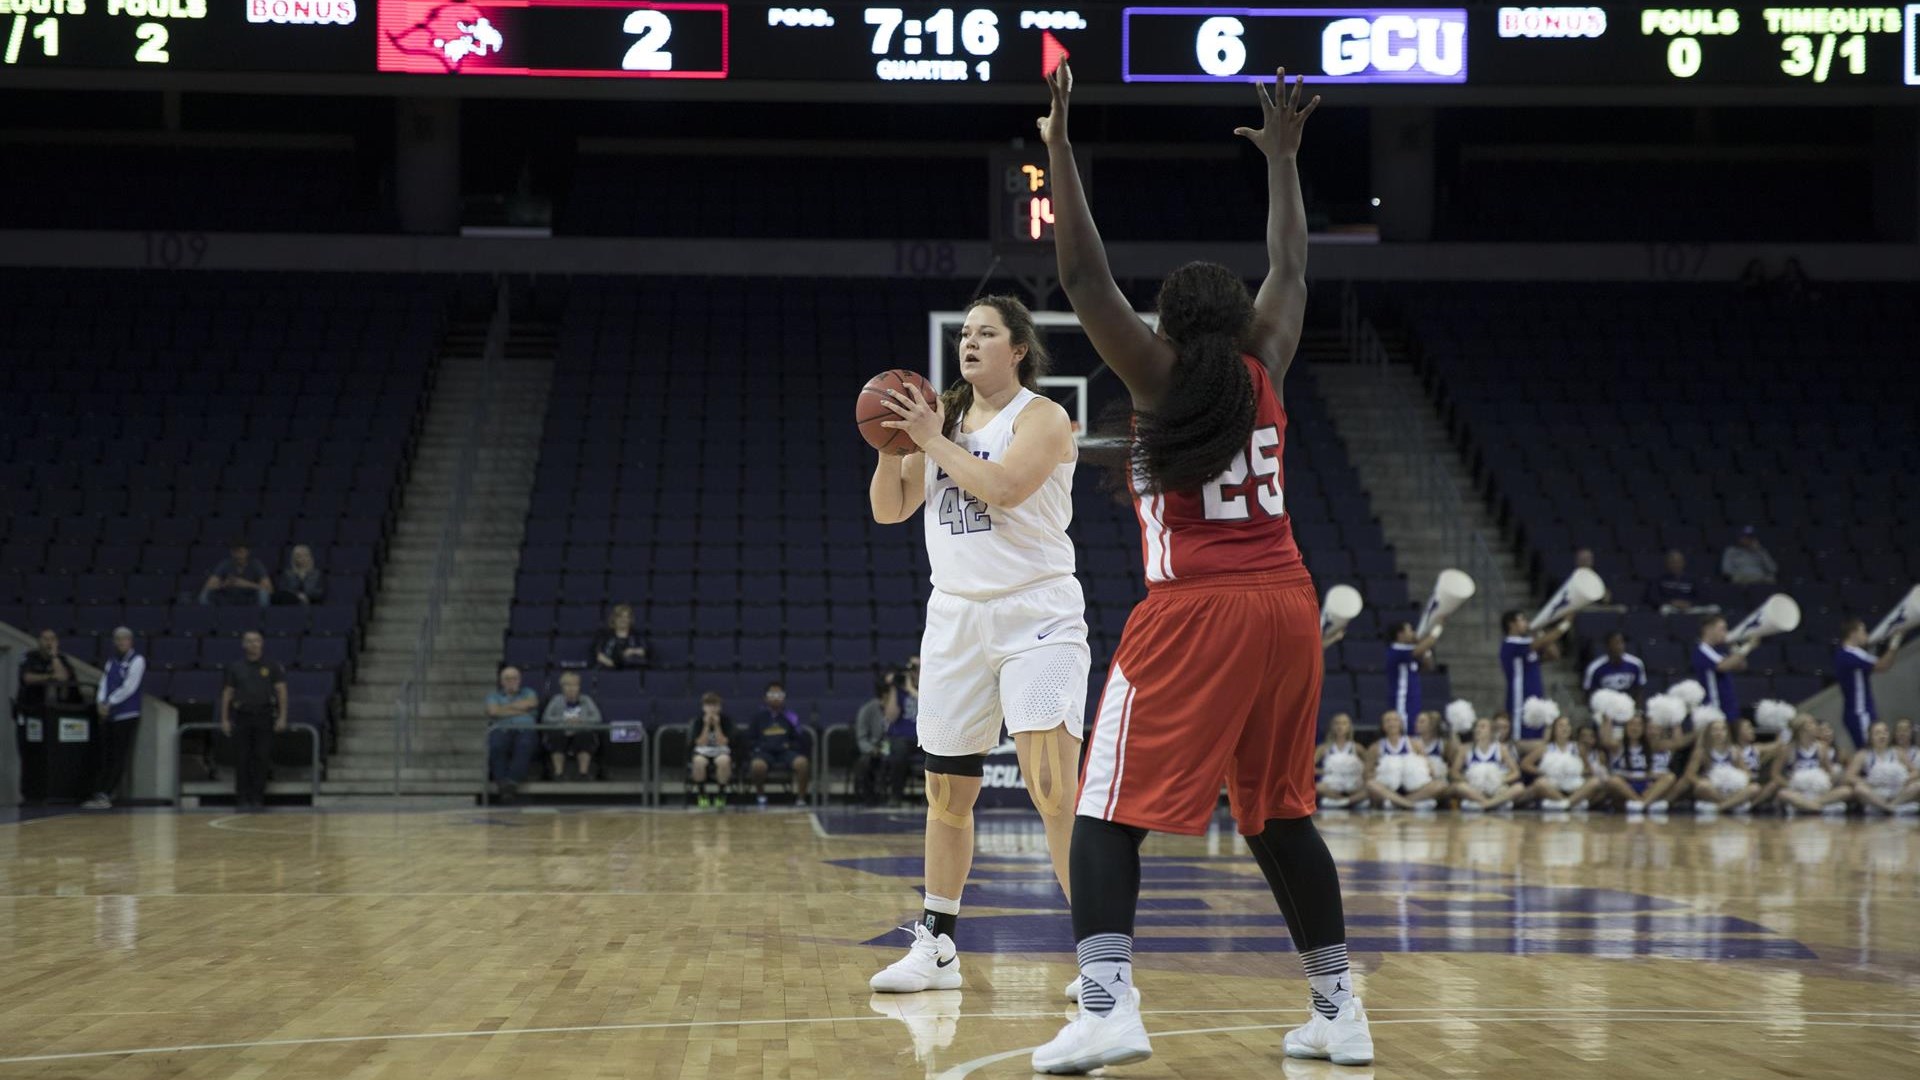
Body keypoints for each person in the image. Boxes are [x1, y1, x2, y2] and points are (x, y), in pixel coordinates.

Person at [1030, 66, 1372, 1072]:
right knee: (1278, 815)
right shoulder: (1266, 366)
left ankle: (1104, 1006)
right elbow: (1293, 270)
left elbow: (1086, 282)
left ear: (1170, 330)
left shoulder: (1160, 375)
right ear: (1243, 325)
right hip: (1289, 606)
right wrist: (1282, 166)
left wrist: (1057, 153)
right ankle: (1338, 1010)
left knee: (1103, 811)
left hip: (1199, 612)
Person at [865, 291, 1089, 999]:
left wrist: (928, 440)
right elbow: (891, 509)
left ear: (1017, 348)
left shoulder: (1045, 419)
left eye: (984, 333)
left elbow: (1006, 488)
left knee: (1052, 786)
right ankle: (936, 945)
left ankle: (1100, 955)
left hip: (1038, 614)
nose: (968, 342)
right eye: (963, 333)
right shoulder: (941, 419)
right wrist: (888, 444)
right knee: (946, 792)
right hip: (957, 615)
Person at [218, 631, 288, 811]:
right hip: (242, 716)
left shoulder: (272, 666)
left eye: (256, 641)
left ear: (262, 644)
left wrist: (282, 716)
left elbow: (281, 691)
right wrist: (224, 719)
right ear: (243, 645)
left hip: (264, 717)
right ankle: (242, 797)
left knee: (261, 757)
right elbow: (227, 693)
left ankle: (258, 797)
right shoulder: (235, 667)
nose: (253, 644)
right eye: (249, 641)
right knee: (241, 759)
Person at [81, 628, 146, 810]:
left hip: (126, 714)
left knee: (118, 756)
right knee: (106, 755)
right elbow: (104, 682)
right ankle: (100, 791)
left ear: (130, 641)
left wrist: (110, 702)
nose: (120, 642)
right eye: (117, 639)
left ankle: (106, 793)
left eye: (124, 639)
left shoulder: (137, 661)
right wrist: (100, 702)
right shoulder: (112, 661)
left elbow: (129, 687)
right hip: (110, 715)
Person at [1833, 618, 1904, 748]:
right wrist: (1895, 642)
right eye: (1863, 630)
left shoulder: (1856, 653)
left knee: (1875, 750)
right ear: (1853, 633)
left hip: (1864, 709)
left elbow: (1884, 665)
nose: (1866, 634)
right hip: (1859, 711)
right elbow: (1882, 665)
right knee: (1868, 751)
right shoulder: (1846, 655)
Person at [1500, 609, 1570, 741]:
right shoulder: (1510, 643)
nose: (1526, 622)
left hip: (1536, 699)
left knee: (1538, 739)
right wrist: (1565, 624)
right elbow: (1542, 642)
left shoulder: (1528, 646)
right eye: (1522, 620)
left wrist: (1538, 631)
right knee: (1520, 738)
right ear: (1511, 624)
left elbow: (1554, 654)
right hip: (1520, 700)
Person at [1364, 710, 1446, 811]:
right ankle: (1410, 805)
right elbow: (1367, 774)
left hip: (1414, 789)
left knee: (1440, 785)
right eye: (1387, 721)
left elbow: (1429, 767)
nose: (1392, 723)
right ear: (1382, 726)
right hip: (1388, 790)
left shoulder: (1414, 743)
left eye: (1395, 720)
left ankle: (1397, 803)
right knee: (1371, 785)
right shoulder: (1376, 747)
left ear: (1401, 724)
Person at [745, 682, 810, 807]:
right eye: (772, 694)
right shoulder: (758, 717)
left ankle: (801, 798)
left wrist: (790, 746)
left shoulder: (791, 717)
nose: (775, 697)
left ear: (784, 697)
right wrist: (759, 747)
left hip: (785, 751)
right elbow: (750, 739)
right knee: (757, 766)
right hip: (764, 752)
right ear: (765, 698)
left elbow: (799, 739)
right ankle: (761, 796)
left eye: (779, 694)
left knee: (802, 763)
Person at [1678, 718, 1761, 816]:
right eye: (1715, 730)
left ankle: (1719, 807)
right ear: (1709, 732)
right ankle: (1733, 804)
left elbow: (1747, 773)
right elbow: (1689, 775)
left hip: (1732, 789)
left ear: (1727, 733)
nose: (1719, 733)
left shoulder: (1735, 750)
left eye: (1722, 729)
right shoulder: (1702, 752)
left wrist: (1738, 781)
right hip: (1712, 789)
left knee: (1755, 788)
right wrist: (1701, 781)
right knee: (1702, 787)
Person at [1520, 715, 1603, 811]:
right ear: (1554, 730)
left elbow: (1588, 769)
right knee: (1540, 783)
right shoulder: (1546, 748)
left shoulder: (1578, 747)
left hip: (1574, 786)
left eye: (1567, 725)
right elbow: (1525, 764)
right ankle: (1571, 803)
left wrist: (1577, 771)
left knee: (1595, 782)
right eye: (1561, 725)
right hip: (1553, 786)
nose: (1565, 728)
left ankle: (1565, 804)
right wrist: (1543, 772)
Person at [1599, 714, 1676, 813]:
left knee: (1670, 777)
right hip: (1626, 787)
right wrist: (1607, 719)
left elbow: (1677, 743)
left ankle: (1642, 804)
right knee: (1613, 780)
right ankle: (1641, 803)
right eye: (1631, 724)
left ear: (1644, 728)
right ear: (1625, 727)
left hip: (1647, 785)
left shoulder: (1652, 744)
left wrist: (1675, 720)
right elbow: (1605, 740)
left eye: (1638, 725)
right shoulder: (1618, 745)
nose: (1634, 728)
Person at [1773, 719, 1850, 816]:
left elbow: (1830, 771)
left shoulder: (1821, 747)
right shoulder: (1788, 749)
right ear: (1801, 731)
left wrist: (1825, 782)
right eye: (1811, 724)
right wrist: (1790, 785)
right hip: (1798, 792)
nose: (1815, 727)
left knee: (1846, 791)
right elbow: (1775, 774)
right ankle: (1820, 808)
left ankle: (1808, 806)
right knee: (1782, 794)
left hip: (1819, 792)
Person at [485, 666, 540, 800]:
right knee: (496, 746)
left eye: (514, 678)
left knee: (525, 745)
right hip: (501, 729)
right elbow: (493, 711)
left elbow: (532, 703)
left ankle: (511, 782)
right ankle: (503, 782)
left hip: (525, 729)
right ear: (501, 681)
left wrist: (503, 709)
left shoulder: (528, 692)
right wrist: (522, 709)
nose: (511, 681)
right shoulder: (493, 696)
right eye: (507, 678)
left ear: (519, 680)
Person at [1843, 720, 1918, 814]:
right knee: (1859, 789)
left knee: (1917, 785)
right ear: (1870, 737)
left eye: (1885, 732)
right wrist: (1868, 781)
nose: (1882, 736)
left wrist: (1904, 778)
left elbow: (1915, 772)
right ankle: (1887, 807)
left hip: (1897, 790)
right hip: (1875, 792)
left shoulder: (1898, 752)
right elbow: (1849, 776)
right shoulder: (1863, 754)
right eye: (1877, 733)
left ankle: (1892, 805)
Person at [1451, 717, 1525, 812]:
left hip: (1496, 789)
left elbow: (1516, 772)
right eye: (1476, 727)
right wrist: (1470, 780)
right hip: (1475, 789)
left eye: (1482, 727)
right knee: (1460, 787)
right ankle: (1492, 803)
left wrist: (1500, 780)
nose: (1478, 729)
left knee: (1519, 788)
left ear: (1491, 731)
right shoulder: (1465, 749)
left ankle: (1486, 804)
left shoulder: (1501, 748)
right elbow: (1454, 773)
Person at [541, 671, 602, 781]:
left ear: (579, 687)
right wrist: (564, 720)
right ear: (562, 687)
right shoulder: (556, 700)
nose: (571, 688)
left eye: (574, 685)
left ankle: (583, 773)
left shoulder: (586, 700)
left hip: (581, 730)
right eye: (567, 685)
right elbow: (546, 718)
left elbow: (597, 718)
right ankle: (558, 773)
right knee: (556, 737)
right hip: (562, 731)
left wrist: (581, 721)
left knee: (585, 737)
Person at [1691, 615, 1747, 720]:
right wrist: (1749, 646)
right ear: (1707, 629)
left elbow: (1741, 666)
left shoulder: (1719, 651)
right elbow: (1722, 666)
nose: (1725, 633)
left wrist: (1733, 646)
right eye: (1722, 629)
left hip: (1729, 706)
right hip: (1715, 707)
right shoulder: (1702, 650)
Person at [16, 629, 80, 717]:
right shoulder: (30, 657)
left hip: (57, 709)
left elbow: (62, 677)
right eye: (45, 639)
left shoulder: (61, 659)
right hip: (31, 705)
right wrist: (51, 676)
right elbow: (27, 678)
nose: (49, 642)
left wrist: (54, 656)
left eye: (52, 639)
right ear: (39, 641)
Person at [1384, 621, 1438, 721]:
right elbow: (1429, 642)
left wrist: (1424, 648)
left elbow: (1429, 666)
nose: (1413, 633)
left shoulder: (1411, 650)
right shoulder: (1395, 650)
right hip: (1402, 699)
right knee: (1404, 730)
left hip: (1414, 698)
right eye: (1410, 630)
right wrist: (1437, 628)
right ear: (1400, 634)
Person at [688, 691, 734, 808]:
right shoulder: (697, 721)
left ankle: (721, 794)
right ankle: (702, 794)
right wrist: (707, 726)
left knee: (724, 761)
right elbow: (700, 743)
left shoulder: (726, 721)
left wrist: (717, 725)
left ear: (720, 707)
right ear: (703, 707)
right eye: (709, 705)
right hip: (703, 752)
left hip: (721, 751)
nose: (712, 709)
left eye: (715, 705)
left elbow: (722, 742)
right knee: (698, 761)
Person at [1313, 714, 1366, 810]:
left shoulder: (1357, 747)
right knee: (1316, 787)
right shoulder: (1324, 748)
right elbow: (1308, 768)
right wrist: (1323, 771)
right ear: (1332, 727)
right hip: (1332, 785)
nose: (1340, 726)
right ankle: (1349, 801)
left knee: (1370, 788)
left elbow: (1369, 767)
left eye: (1344, 723)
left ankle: (1340, 802)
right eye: (1337, 723)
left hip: (1353, 784)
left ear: (1349, 727)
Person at [199, 541, 272, 608]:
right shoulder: (225, 564)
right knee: (205, 594)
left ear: (247, 552)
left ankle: (261, 618)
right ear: (232, 553)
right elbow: (208, 586)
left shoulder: (256, 564)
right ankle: (209, 619)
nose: (238, 555)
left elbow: (269, 589)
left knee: (263, 594)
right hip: (229, 596)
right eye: (235, 552)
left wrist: (246, 584)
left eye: (241, 552)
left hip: (249, 597)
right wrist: (224, 584)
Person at [1583, 632, 1648, 705]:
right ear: (1607, 646)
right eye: (1616, 643)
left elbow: (1640, 689)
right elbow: (1589, 693)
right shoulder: (1595, 668)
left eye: (1621, 643)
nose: (1619, 646)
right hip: (1605, 707)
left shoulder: (1636, 664)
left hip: (1627, 705)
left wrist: (1637, 709)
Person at [1645, 550, 1712, 616]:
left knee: (1714, 608)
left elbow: (1704, 597)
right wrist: (1671, 602)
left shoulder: (1694, 579)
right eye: (1672, 562)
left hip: (1691, 607)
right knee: (1664, 609)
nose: (1675, 564)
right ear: (1667, 563)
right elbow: (1653, 597)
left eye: (1678, 562)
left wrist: (1690, 603)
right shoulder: (1659, 579)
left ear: (1683, 562)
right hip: (1670, 607)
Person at [591, 604, 648, 670]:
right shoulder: (604, 635)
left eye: (626, 617)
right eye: (620, 617)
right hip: (607, 669)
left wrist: (632, 651)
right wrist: (611, 664)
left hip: (632, 670)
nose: (623, 620)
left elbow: (644, 651)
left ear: (630, 620)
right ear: (614, 619)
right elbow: (598, 654)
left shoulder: (637, 635)